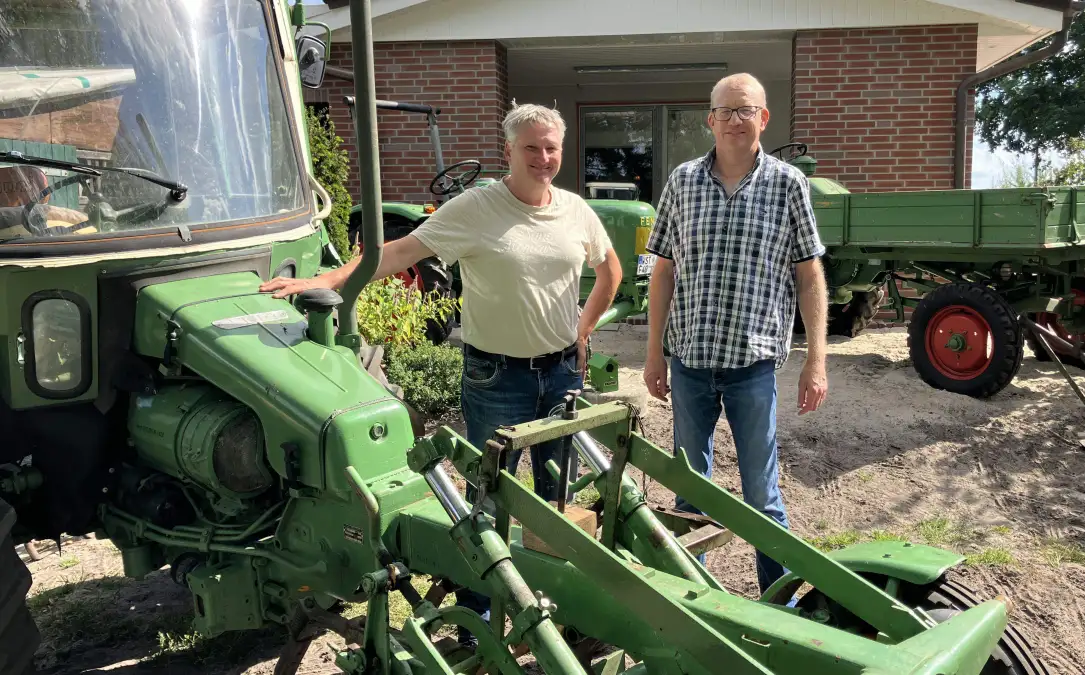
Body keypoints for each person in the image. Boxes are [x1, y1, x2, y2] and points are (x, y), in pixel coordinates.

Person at [260, 102, 622, 642]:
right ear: (509, 151)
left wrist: (582, 328)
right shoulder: (476, 208)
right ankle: (479, 620)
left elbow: (609, 270)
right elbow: (401, 251)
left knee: (555, 500)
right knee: (487, 503)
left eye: (552, 148)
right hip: (496, 379)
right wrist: (334, 279)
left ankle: (556, 610)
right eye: (532, 147)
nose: (543, 157)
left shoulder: (575, 211)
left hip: (562, 374)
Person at [641, 72, 829, 595]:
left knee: (761, 495)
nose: (733, 120)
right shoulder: (682, 181)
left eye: (745, 110)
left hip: (753, 364)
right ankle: (695, 602)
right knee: (688, 494)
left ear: (763, 118)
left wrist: (817, 359)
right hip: (690, 361)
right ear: (710, 120)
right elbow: (663, 272)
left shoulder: (788, 184)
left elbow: (809, 273)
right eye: (724, 111)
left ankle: (782, 606)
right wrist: (653, 356)